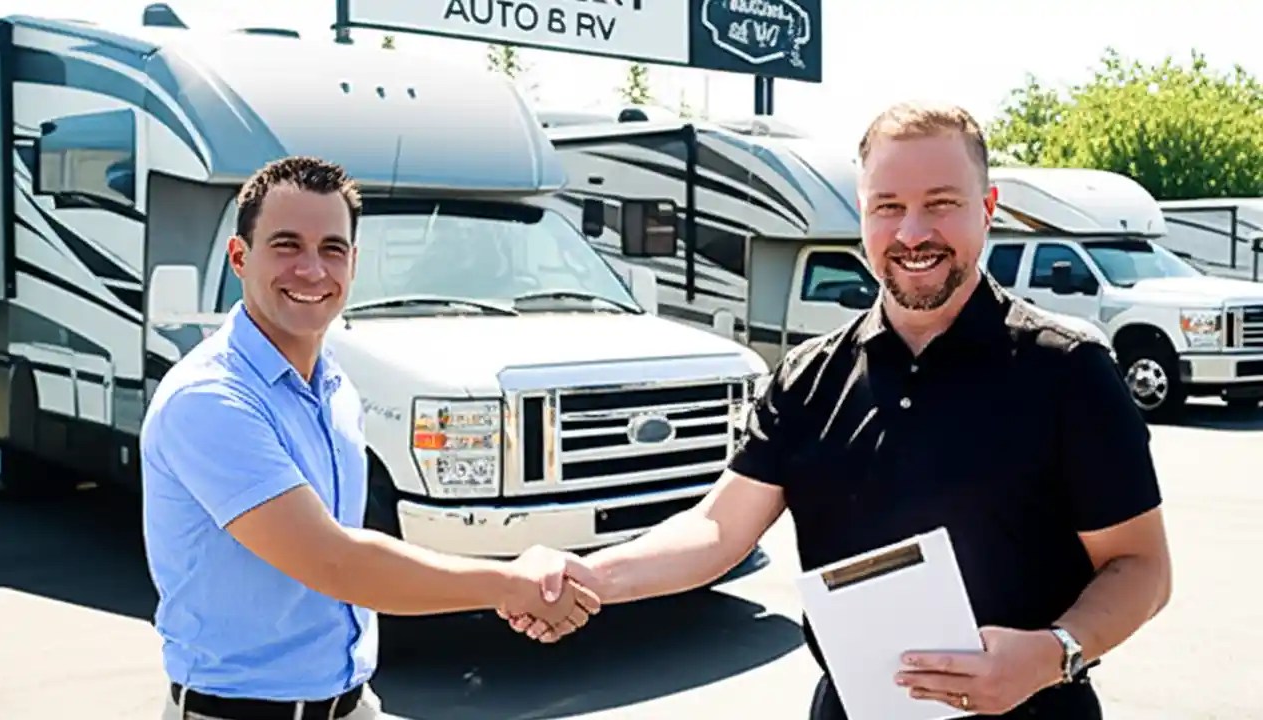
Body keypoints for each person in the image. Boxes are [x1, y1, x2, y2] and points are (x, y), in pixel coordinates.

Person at [499, 102, 1173, 718]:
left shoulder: (1067, 368)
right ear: (861, 213)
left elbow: (1143, 568)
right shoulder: (808, 377)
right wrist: (589, 576)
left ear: (987, 206)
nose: (913, 233)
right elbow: (716, 533)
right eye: (888, 207)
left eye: (941, 203)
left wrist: (1056, 652)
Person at [140, 156, 600, 720]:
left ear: (354, 263)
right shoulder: (210, 398)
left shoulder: (335, 386)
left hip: (352, 703)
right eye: (286, 245)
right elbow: (335, 563)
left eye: (332, 248)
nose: (312, 270)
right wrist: (508, 584)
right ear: (240, 257)